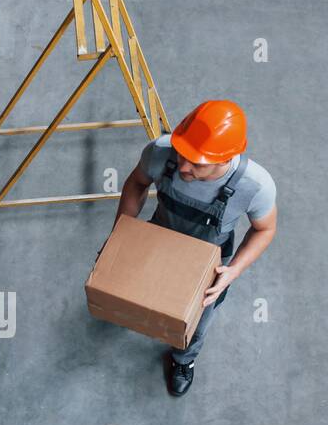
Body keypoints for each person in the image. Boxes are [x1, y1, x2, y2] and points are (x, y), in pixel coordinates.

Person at [114, 100, 277, 396]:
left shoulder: (254, 186)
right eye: (182, 154)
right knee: (136, 289)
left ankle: (183, 360)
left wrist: (233, 272)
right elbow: (136, 183)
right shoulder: (160, 152)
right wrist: (122, 233)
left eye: (197, 163)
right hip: (158, 237)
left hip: (208, 262)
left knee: (196, 321)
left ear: (228, 157)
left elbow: (265, 229)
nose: (184, 167)